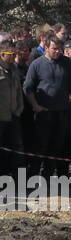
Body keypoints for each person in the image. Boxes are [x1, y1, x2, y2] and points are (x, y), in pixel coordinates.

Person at [23, 35, 71, 175]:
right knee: (40, 145)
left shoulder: (67, 63)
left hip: (62, 111)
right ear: (46, 48)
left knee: (56, 145)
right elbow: (28, 88)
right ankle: (34, 175)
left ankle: (48, 176)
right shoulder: (36, 64)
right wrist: (35, 105)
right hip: (44, 112)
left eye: (60, 49)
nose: (58, 51)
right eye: (54, 49)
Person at [0, 39, 24, 176]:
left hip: (14, 115)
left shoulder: (14, 69)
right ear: (2, 54)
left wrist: (19, 108)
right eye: (10, 53)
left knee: (17, 147)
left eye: (15, 53)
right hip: (1, 117)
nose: (14, 56)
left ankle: (16, 178)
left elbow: (19, 91)